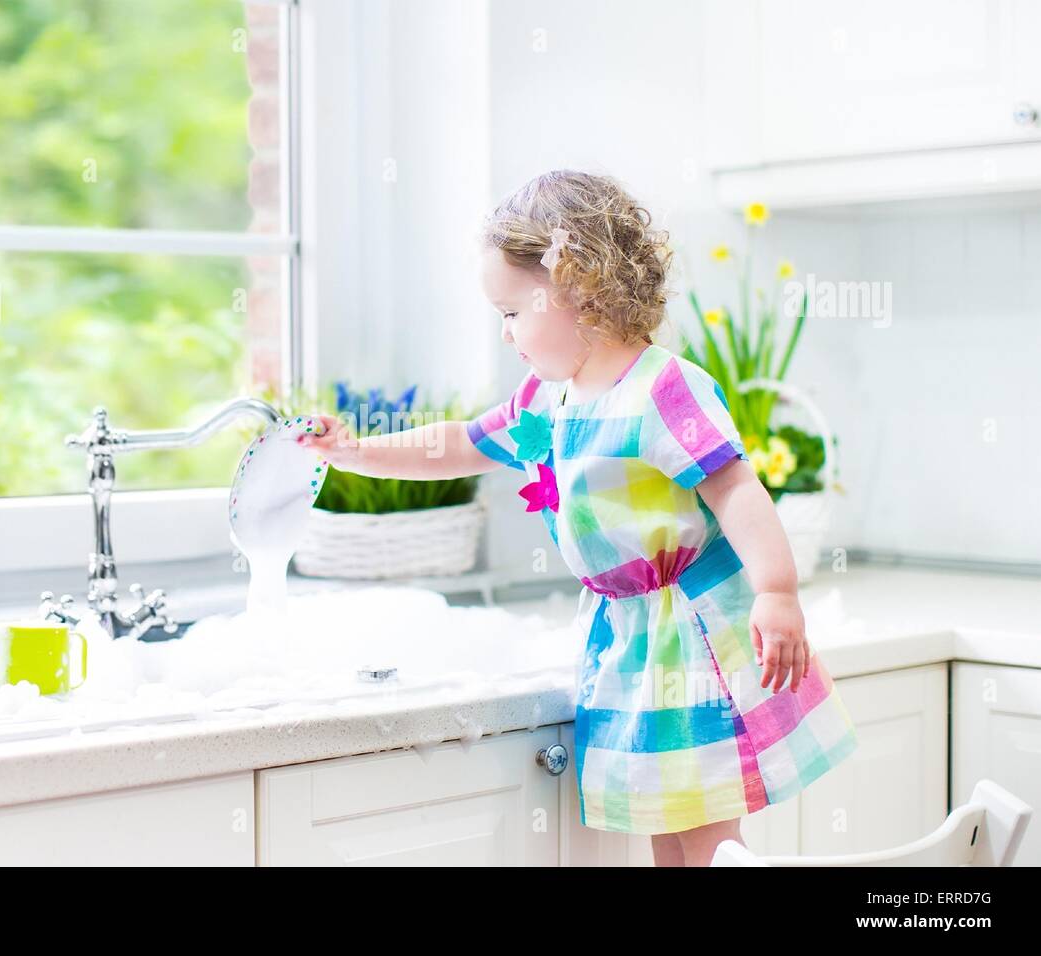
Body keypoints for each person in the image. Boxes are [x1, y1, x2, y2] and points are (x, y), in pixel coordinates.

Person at [299, 169, 859, 866]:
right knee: (671, 818)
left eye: (511, 312)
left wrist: (778, 592)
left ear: (579, 288)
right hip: (633, 635)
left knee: (711, 832)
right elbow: (465, 444)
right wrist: (354, 450)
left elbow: (737, 490)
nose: (506, 334)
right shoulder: (549, 400)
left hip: (694, 633)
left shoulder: (662, 388)